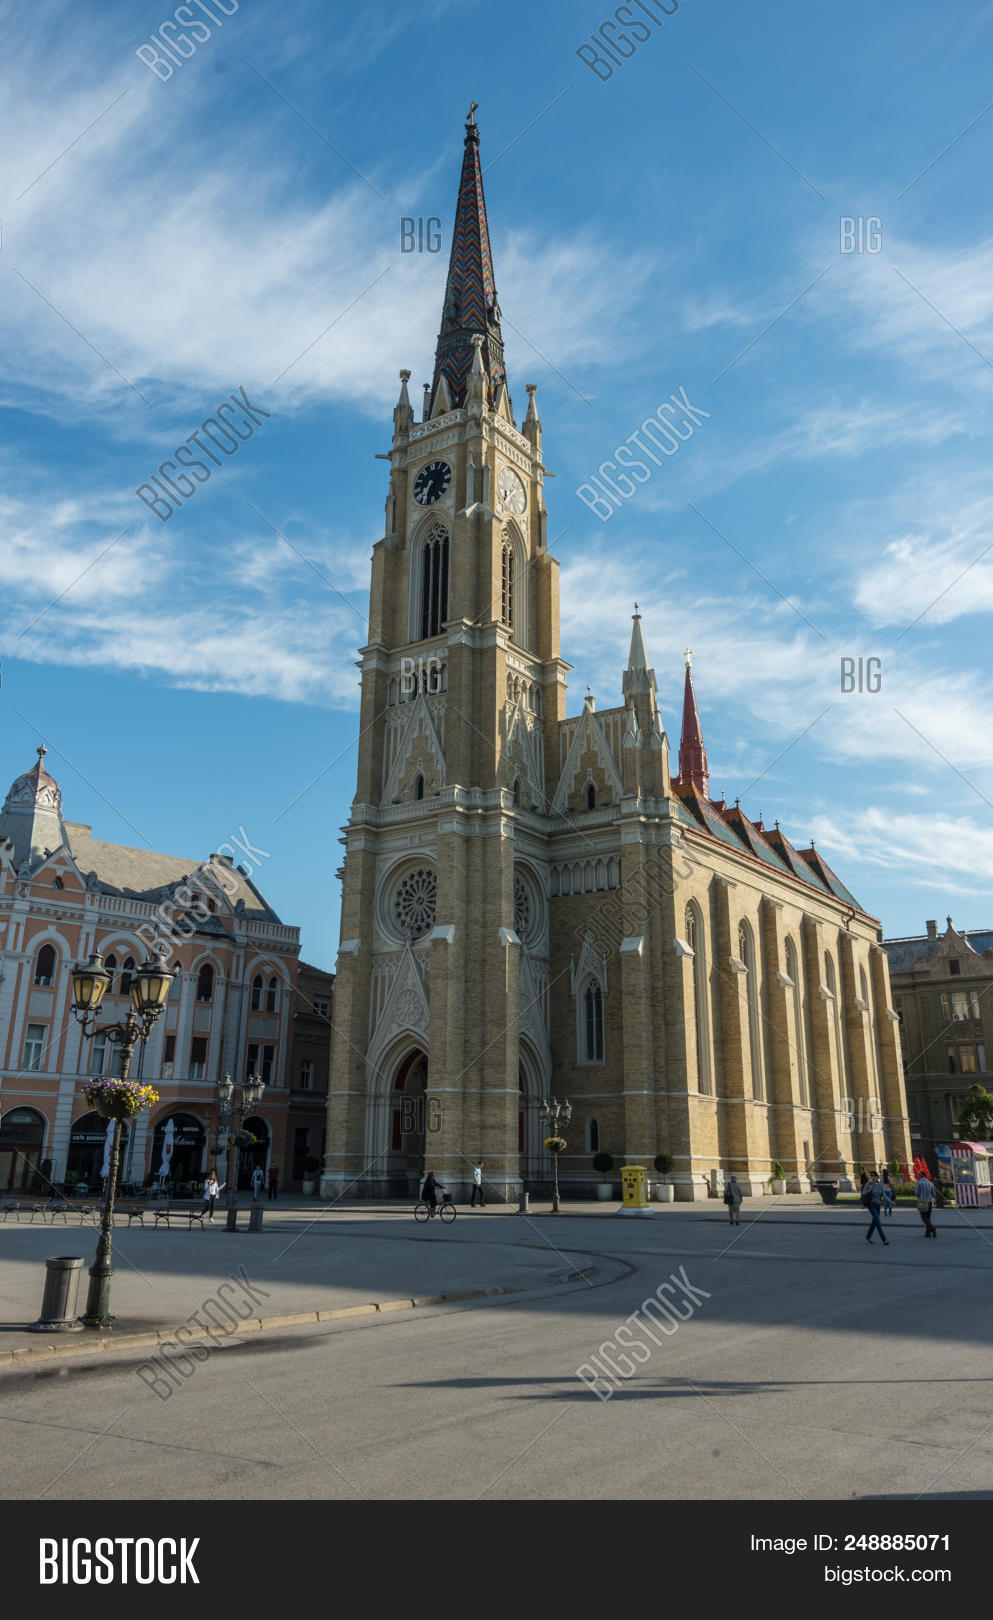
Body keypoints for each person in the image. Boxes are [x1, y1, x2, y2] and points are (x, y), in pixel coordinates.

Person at [863, 1171, 889, 1246]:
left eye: (874, 1176)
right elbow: (863, 1193)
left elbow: (884, 1195)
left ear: (877, 1177)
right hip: (871, 1205)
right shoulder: (868, 1184)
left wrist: (890, 1201)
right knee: (878, 1222)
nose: (873, 1177)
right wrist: (869, 1190)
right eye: (871, 1176)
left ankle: (868, 1236)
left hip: (878, 1206)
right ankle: (884, 1240)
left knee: (874, 1222)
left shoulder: (880, 1185)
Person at [915, 1170, 937, 1239]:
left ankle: (932, 1228)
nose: (918, 1176)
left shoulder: (919, 1183)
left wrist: (920, 1197)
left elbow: (917, 1193)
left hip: (922, 1201)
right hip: (930, 1202)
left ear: (921, 1176)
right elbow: (934, 1194)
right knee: (928, 1217)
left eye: (919, 1175)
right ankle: (928, 1233)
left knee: (923, 1218)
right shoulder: (930, 1183)